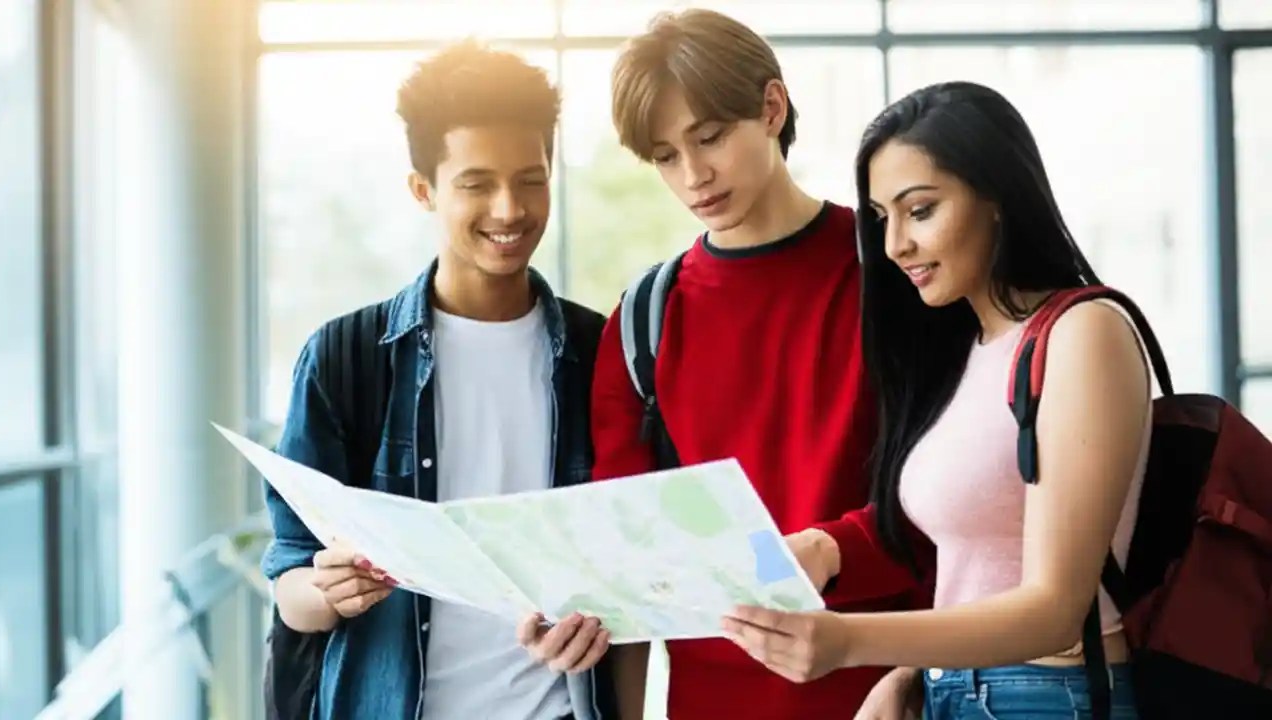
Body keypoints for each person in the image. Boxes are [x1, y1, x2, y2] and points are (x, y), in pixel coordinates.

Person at [520, 9, 931, 720]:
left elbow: (959, 505)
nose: (693, 175)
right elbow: (631, 547)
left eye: (709, 138)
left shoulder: (901, 275)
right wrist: (578, 605)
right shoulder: (641, 321)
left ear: (772, 108)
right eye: (665, 156)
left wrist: (839, 560)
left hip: (891, 692)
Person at [720, 81, 1149, 719]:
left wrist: (848, 643)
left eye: (919, 210)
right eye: (880, 218)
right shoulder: (968, 348)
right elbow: (977, 570)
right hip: (956, 692)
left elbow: (1056, 607)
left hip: (1050, 698)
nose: (894, 245)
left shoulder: (1084, 332)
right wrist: (913, 671)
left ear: (997, 197)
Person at [261, 40, 615, 720]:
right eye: (477, 184)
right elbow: (291, 588)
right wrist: (328, 590)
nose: (510, 209)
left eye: (530, 179)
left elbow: (627, 566)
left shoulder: (599, 354)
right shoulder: (346, 357)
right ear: (424, 190)